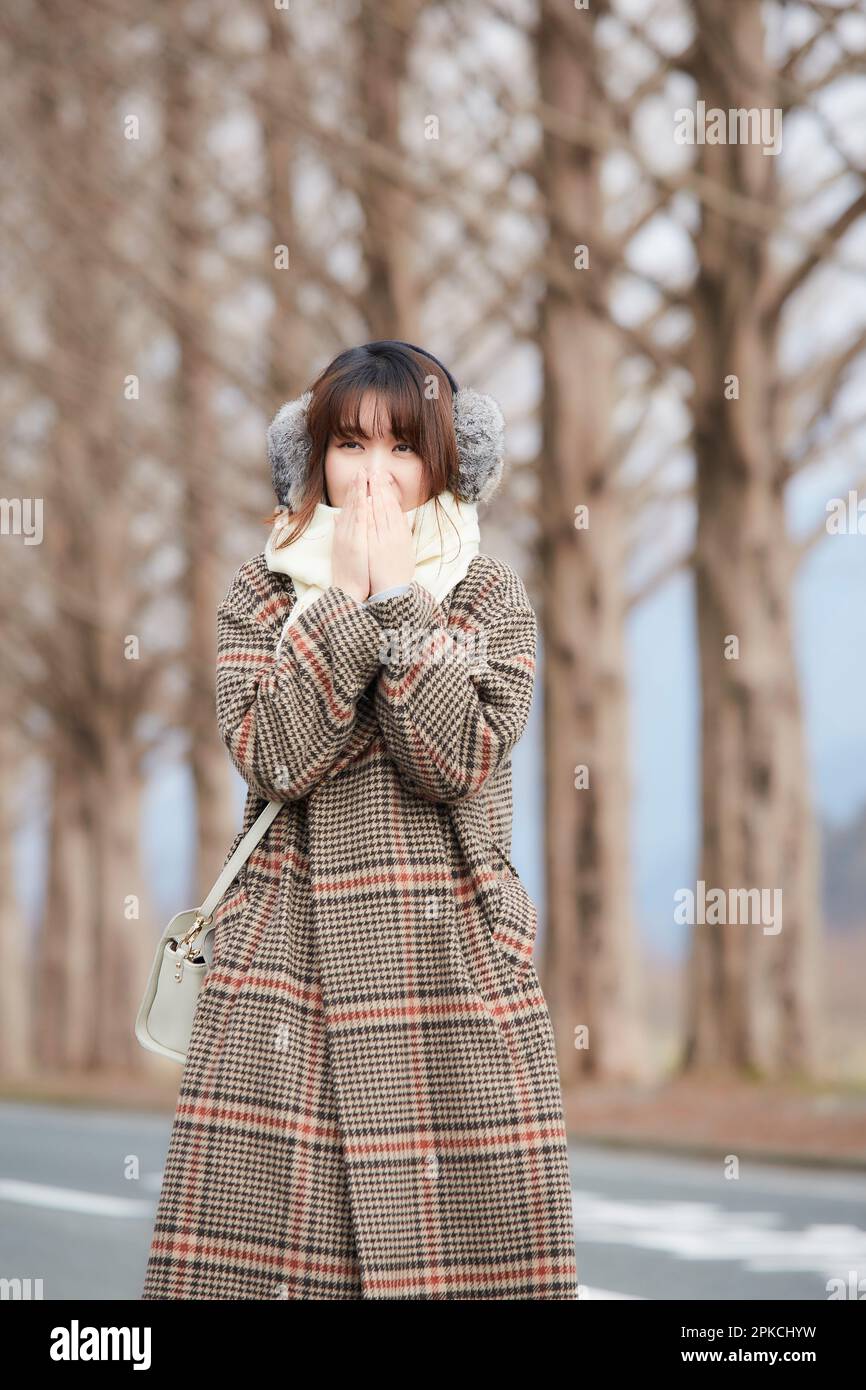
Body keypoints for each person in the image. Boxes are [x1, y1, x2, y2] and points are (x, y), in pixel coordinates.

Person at [142, 340, 579, 1300]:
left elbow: (458, 757)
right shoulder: (260, 594)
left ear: (443, 463)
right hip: (283, 985)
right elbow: (272, 756)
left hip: (450, 979)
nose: (374, 475)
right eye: (350, 445)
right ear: (314, 461)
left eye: (402, 448)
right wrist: (341, 603)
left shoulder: (489, 594)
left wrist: (402, 608)